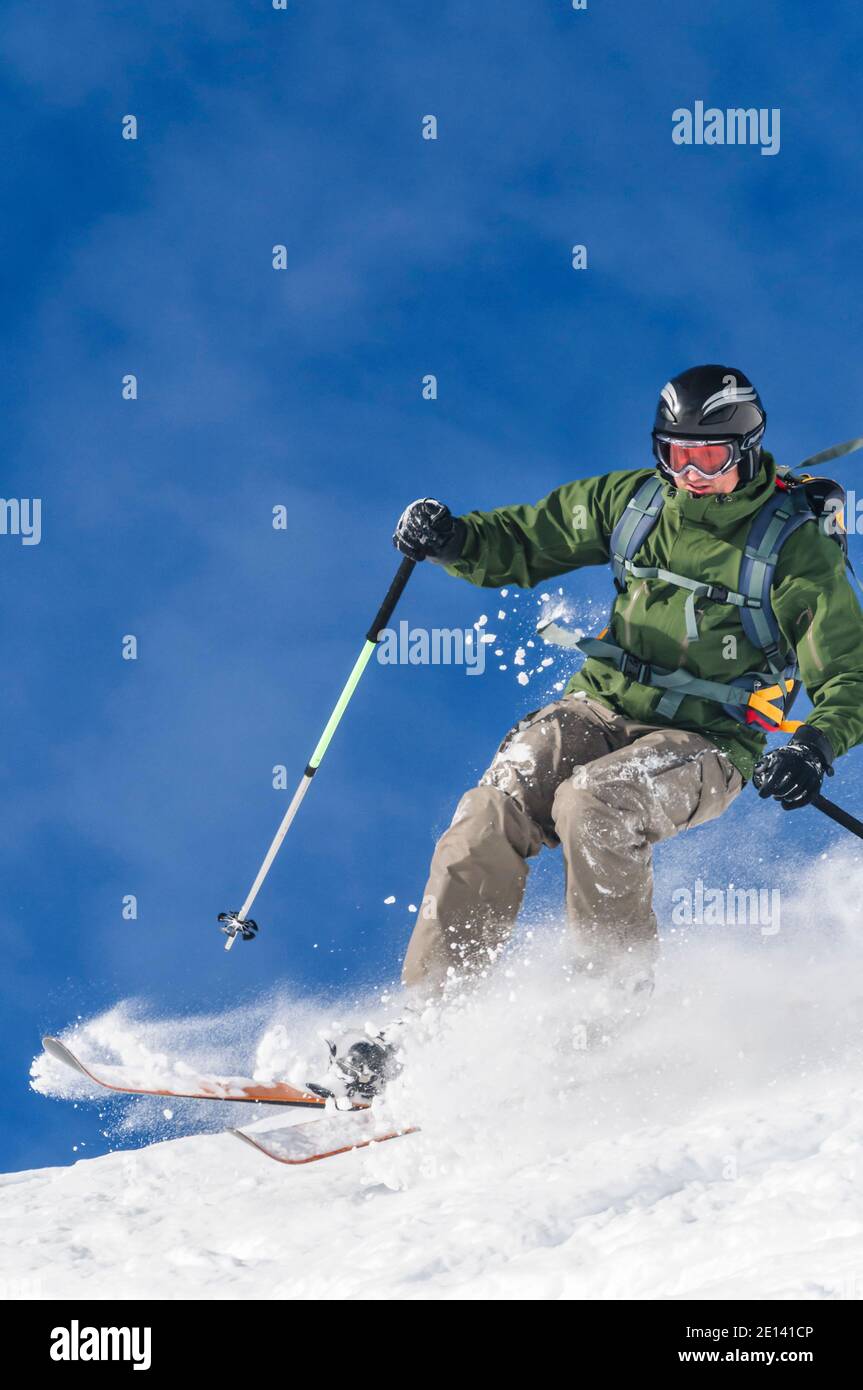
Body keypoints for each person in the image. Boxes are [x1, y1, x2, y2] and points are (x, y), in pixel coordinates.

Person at [318, 365, 863, 1101]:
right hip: (601, 707)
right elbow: (519, 541)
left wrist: (812, 744)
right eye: (675, 454)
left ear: (747, 448)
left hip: (705, 743)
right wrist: (449, 538)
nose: (691, 473)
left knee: (593, 804)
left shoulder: (795, 548)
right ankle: (424, 1025)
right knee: (493, 806)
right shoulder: (633, 502)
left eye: (709, 457)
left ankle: (609, 1020)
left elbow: (846, 673)